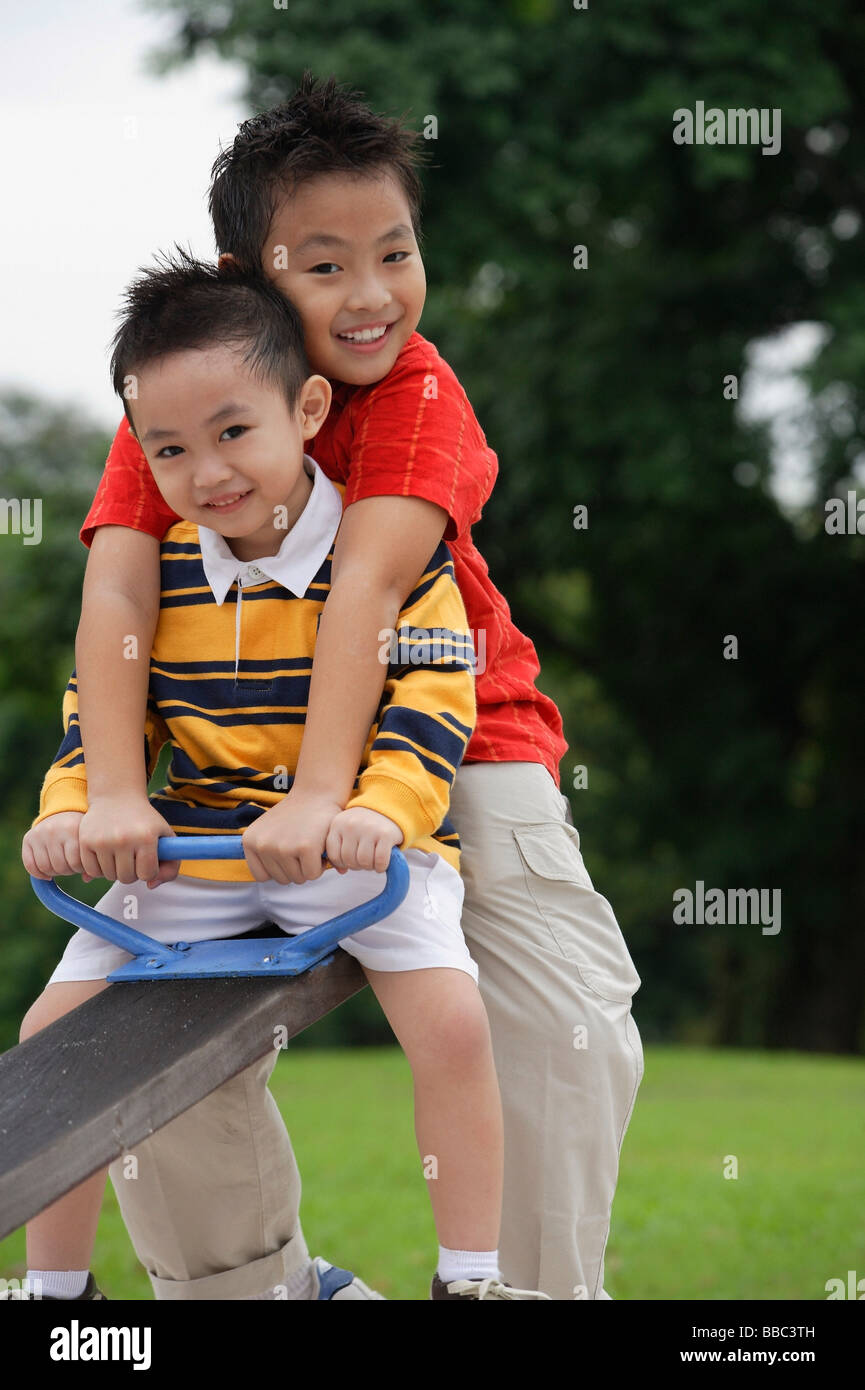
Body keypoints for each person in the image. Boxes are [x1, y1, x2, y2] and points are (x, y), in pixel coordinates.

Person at [62, 73, 643, 1301]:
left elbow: (373, 604)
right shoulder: (180, 390)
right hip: (232, 757)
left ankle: (515, 1290)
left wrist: (331, 795)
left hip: (454, 730)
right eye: (323, 265)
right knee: (135, 1019)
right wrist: (115, 790)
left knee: (558, 1020)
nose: (372, 294)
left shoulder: (417, 392)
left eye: (395, 251)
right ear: (247, 272)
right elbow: (116, 597)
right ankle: (246, 1291)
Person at [14, 254, 551, 1303]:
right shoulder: (158, 577)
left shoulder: (388, 555)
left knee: (448, 1018)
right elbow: (102, 717)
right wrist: (77, 810)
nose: (206, 472)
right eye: (168, 450)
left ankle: (471, 1276)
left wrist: (378, 815)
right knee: (52, 1038)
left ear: (307, 409)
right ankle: (55, 1293)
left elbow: (432, 706)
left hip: (352, 847)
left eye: (231, 432)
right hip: (201, 852)